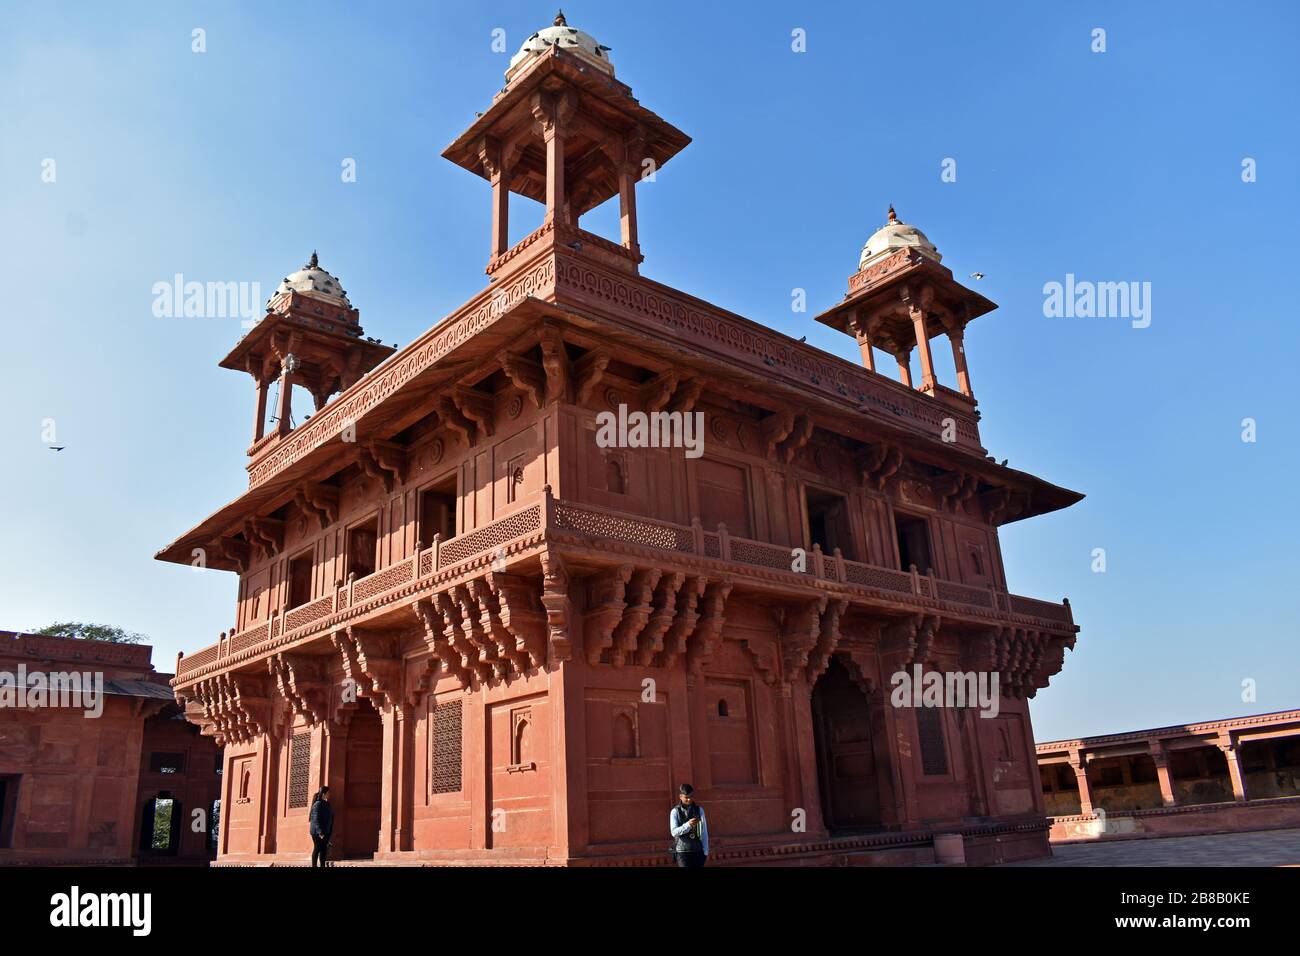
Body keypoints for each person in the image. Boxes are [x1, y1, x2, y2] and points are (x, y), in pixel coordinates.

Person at [669, 783, 708, 867]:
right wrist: (688, 825)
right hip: (682, 852)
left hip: (698, 850)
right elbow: (674, 832)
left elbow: (704, 831)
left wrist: (705, 851)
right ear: (680, 796)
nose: (689, 799)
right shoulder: (675, 811)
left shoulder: (699, 810)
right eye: (686, 797)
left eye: (691, 796)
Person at [309, 786, 333, 867]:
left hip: (325, 832)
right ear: (323, 794)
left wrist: (329, 832)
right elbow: (316, 819)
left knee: (323, 851)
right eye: (328, 793)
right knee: (317, 848)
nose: (329, 794)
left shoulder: (326, 804)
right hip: (317, 832)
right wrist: (320, 832)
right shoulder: (318, 804)